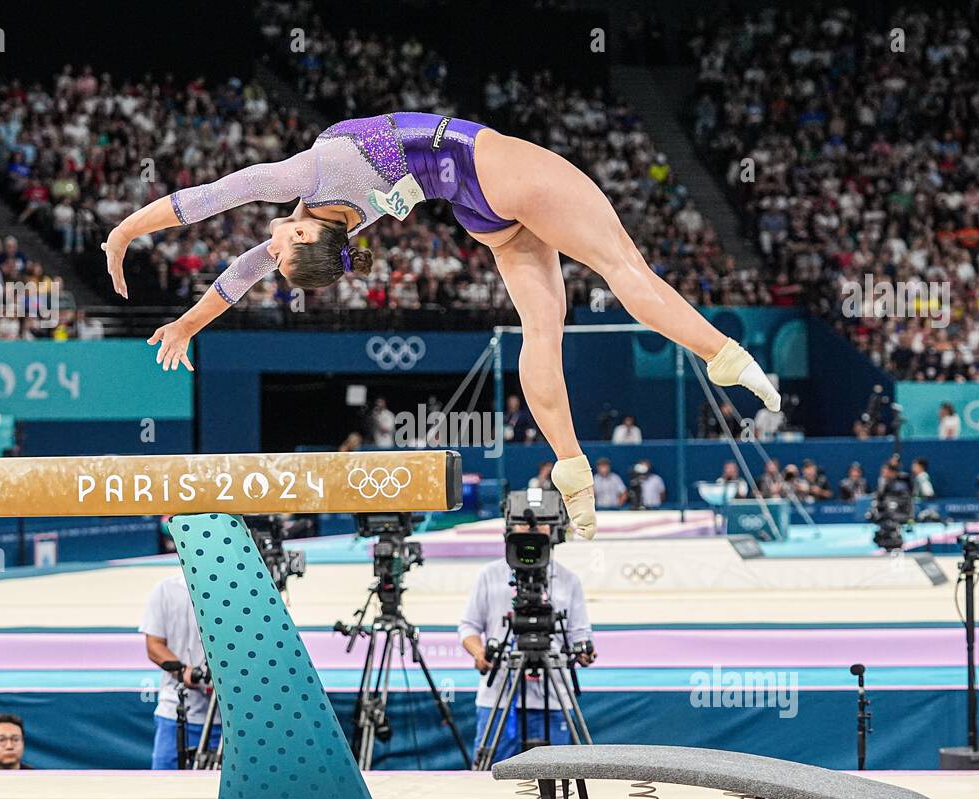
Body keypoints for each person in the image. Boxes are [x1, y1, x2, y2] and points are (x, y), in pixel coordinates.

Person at [104, 112, 780, 541]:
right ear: (310, 232)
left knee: (544, 327)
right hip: (497, 170)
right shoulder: (319, 200)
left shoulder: (321, 197)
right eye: (283, 251)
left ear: (308, 230)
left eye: (280, 250)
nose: (269, 246)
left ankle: (573, 473)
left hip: (481, 211)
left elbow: (225, 225)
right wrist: (143, 260)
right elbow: (231, 233)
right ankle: (724, 356)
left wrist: (155, 272)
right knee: (619, 264)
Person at [458, 521, 593, 762]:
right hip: (497, 697)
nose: (532, 528)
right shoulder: (489, 574)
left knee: (558, 781)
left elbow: (580, 634)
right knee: (489, 779)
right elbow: (468, 626)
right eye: (523, 522)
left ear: (553, 530)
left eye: (540, 522)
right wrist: (479, 653)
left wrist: (584, 651)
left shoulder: (568, 579)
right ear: (509, 529)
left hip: (552, 697)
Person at [140, 573, 221, 769]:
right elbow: (154, 645)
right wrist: (183, 671)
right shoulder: (166, 590)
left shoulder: (237, 593)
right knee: (164, 789)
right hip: (175, 713)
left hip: (225, 719)